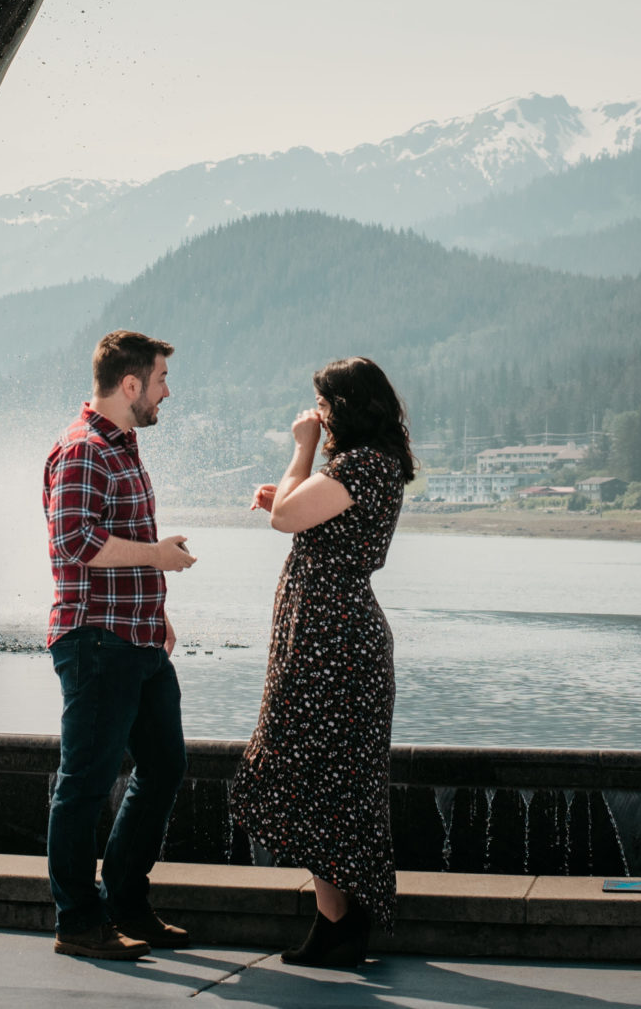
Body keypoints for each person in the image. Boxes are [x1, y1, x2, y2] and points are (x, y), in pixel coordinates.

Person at [232, 356, 414, 968]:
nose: (318, 416)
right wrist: (291, 482)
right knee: (329, 775)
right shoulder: (369, 465)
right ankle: (341, 917)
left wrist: (300, 449)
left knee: (315, 772)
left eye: (324, 406)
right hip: (329, 638)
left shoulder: (361, 464)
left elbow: (287, 515)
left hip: (332, 644)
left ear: (347, 407)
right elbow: (296, 508)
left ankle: (337, 924)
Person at [41, 329, 197, 961]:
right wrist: (157, 557)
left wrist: (156, 612)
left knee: (164, 766)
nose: (166, 391)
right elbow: (74, 541)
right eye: (161, 379)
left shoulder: (122, 447)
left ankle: (126, 901)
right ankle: (78, 920)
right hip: (98, 642)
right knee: (84, 782)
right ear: (130, 384)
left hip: (138, 639)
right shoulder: (82, 451)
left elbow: (116, 541)